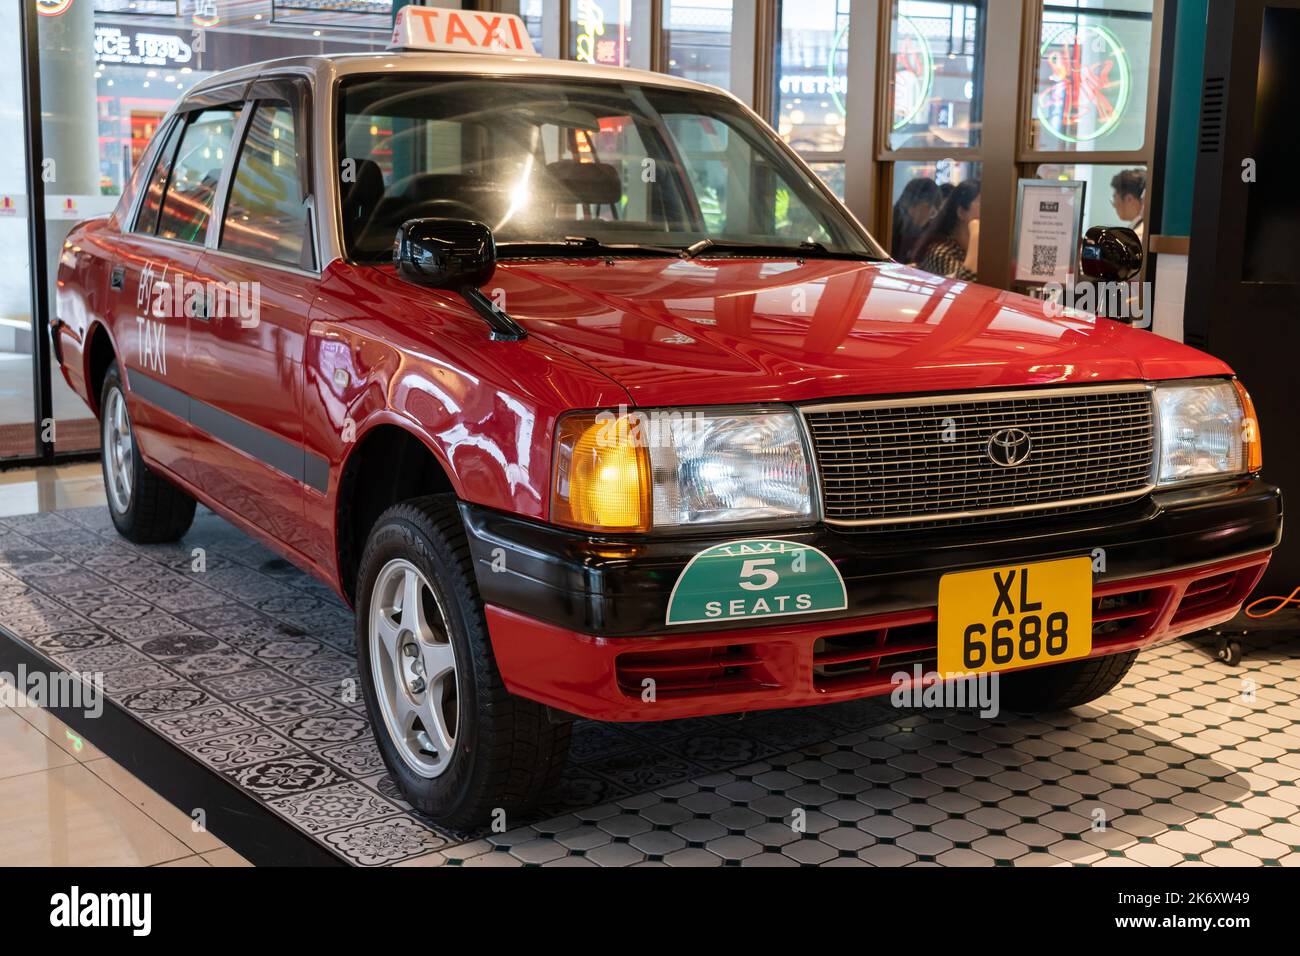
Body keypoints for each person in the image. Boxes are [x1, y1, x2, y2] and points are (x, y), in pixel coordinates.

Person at [915, 179, 981, 281]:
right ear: (962, 212)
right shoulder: (941, 252)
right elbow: (965, 288)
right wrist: (976, 234)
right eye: (982, 204)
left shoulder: (976, 250)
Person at [891, 177, 942, 264]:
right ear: (923, 205)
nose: (930, 218)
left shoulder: (896, 218)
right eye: (932, 212)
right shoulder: (895, 226)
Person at [1110, 168, 1146, 240]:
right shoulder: (1138, 230)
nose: (1114, 205)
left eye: (1115, 197)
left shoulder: (1138, 237)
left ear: (1129, 199)